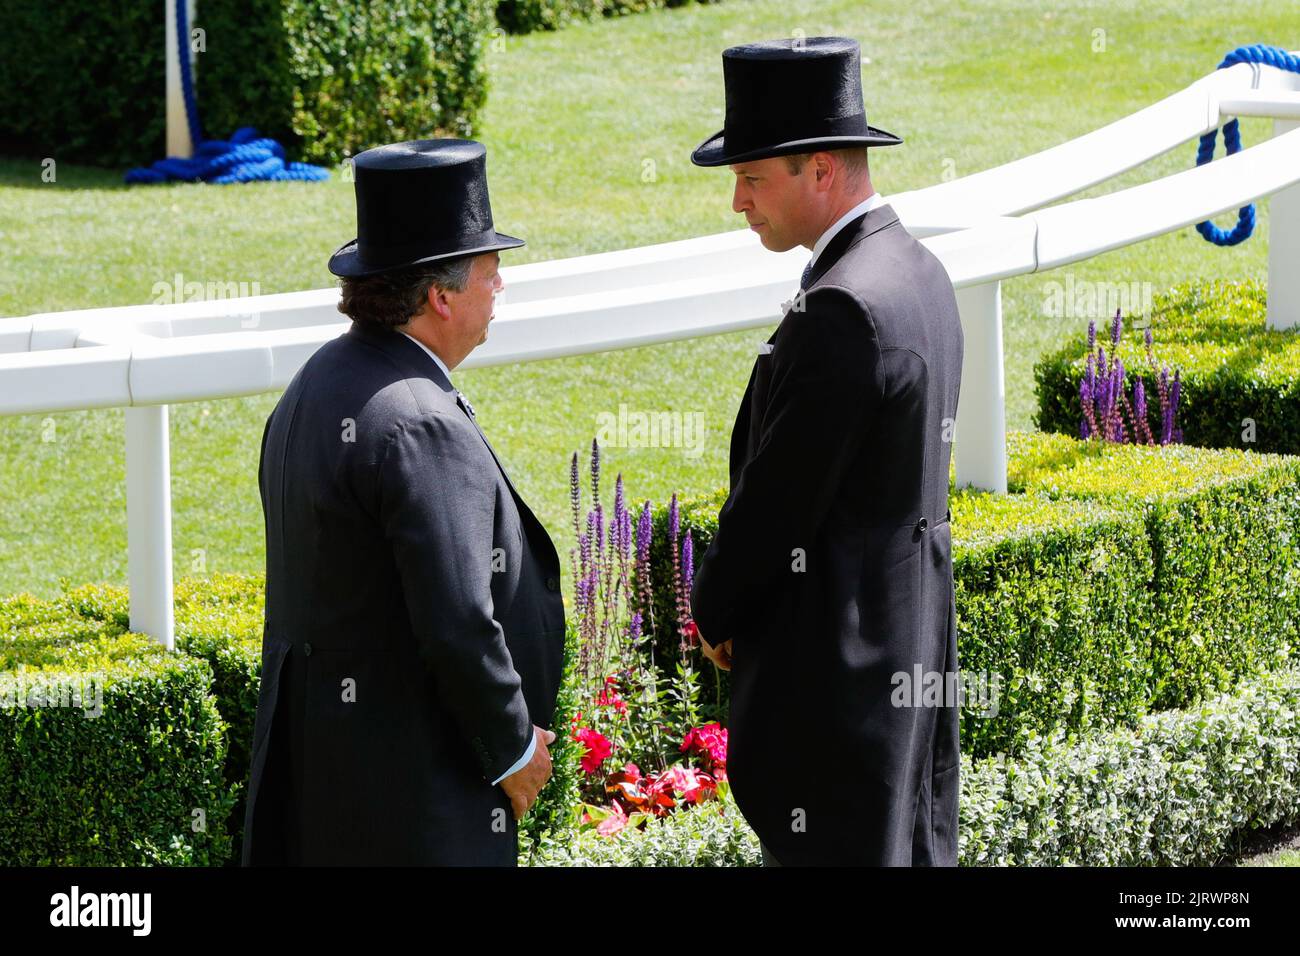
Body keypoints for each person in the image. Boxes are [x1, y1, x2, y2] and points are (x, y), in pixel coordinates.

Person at [242, 139, 567, 865]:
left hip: (326, 796)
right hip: (413, 804)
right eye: (491, 271)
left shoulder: (318, 382)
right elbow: (457, 621)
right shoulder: (420, 421)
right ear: (439, 295)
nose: (501, 287)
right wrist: (512, 745)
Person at [687, 37, 965, 866]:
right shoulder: (917, 271)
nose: (738, 201)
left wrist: (716, 609)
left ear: (820, 168)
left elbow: (780, 502)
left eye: (752, 177)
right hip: (907, 659)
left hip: (841, 687)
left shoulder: (845, 306)